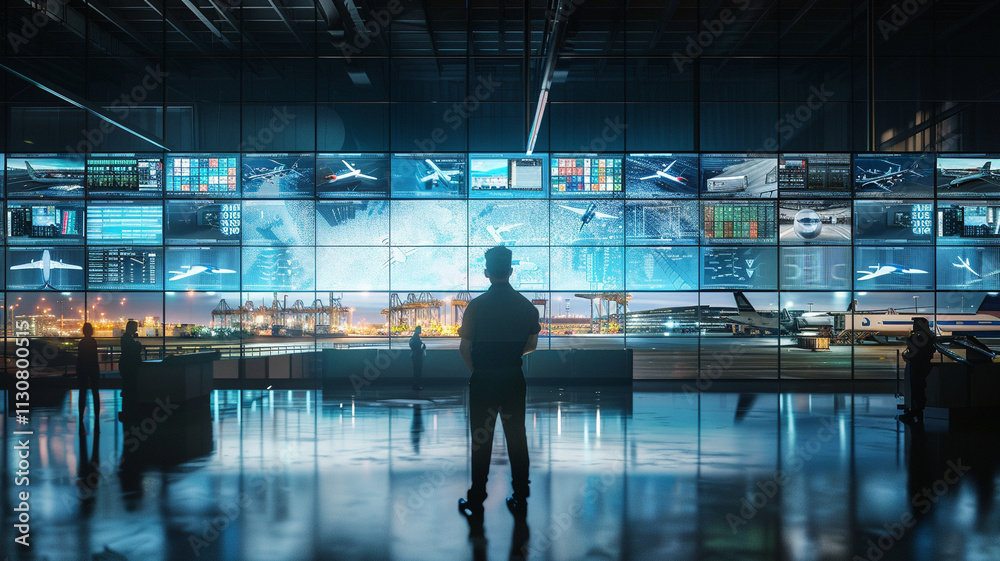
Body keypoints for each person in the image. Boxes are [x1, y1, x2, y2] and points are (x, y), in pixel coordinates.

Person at [457, 246, 540, 519]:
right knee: (517, 437)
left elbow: (464, 349)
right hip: (513, 378)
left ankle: (477, 497)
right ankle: (520, 495)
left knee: (481, 439)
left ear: (486, 273)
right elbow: (532, 345)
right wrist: (510, 357)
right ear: (511, 271)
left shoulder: (476, 306)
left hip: (484, 379)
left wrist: (480, 370)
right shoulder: (526, 306)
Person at [900, 317, 935, 424]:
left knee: (917, 388)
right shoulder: (927, 336)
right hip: (922, 365)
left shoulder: (920, 337)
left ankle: (916, 410)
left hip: (918, 365)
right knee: (919, 388)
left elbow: (913, 351)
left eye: (915, 324)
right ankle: (918, 409)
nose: (913, 326)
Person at [76, 323, 101, 432]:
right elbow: (94, 358)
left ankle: (81, 414)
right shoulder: (93, 342)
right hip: (93, 369)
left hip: (83, 369)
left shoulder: (82, 342)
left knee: (82, 392)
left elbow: (80, 358)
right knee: (95, 392)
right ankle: (97, 414)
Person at [118, 320, 143, 423]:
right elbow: (135, 349)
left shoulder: (125, 338)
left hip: (126, 367)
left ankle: (127, 413)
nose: (136, 329)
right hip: (129, 368)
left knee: (127, 389)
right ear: (132, 328)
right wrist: (138, 344)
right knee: (130, 389)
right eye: (135, 327)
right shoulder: (128, 339)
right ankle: (130, 413)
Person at [409, 325, 426, 391]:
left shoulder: (414, 338)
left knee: (416, 371)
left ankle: (416, 385)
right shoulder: (416, 338)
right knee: (418, 371)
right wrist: (422, 348)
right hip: (417, 356)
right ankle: (416, 385)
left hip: (415, 355)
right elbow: (418, 346)